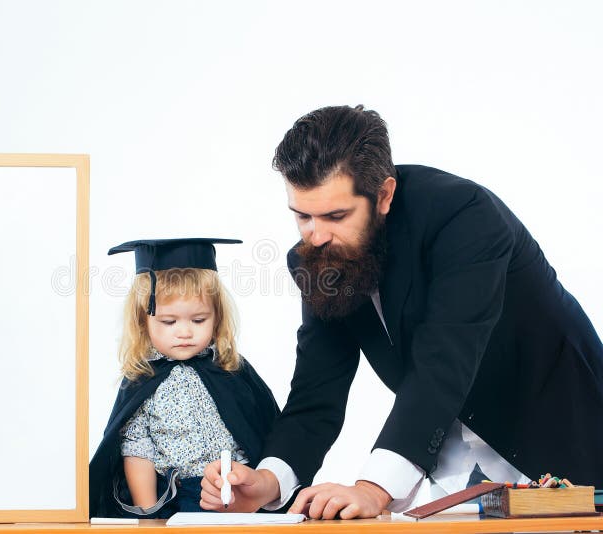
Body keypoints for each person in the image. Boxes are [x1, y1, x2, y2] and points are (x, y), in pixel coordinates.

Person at [200, 105, 603, 519]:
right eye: (302, 216)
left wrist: (373, 488)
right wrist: (269, 481)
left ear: (385, 194)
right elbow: (317, 387)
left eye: (336, 215)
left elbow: (445, 358)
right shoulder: (316, 258)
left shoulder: (466, 216)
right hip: (448, 458)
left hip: (566, 437)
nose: (315, 236)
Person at [89, 238, 280, 518]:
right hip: (179, 497)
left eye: (199, 320)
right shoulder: (143, 380)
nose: (185, 332)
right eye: (169, 322)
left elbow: (263, 428)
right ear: (143, 321)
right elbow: (138, 450)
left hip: (237, 493)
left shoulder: (231, 369)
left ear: (217, 317)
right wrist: (148, 513)